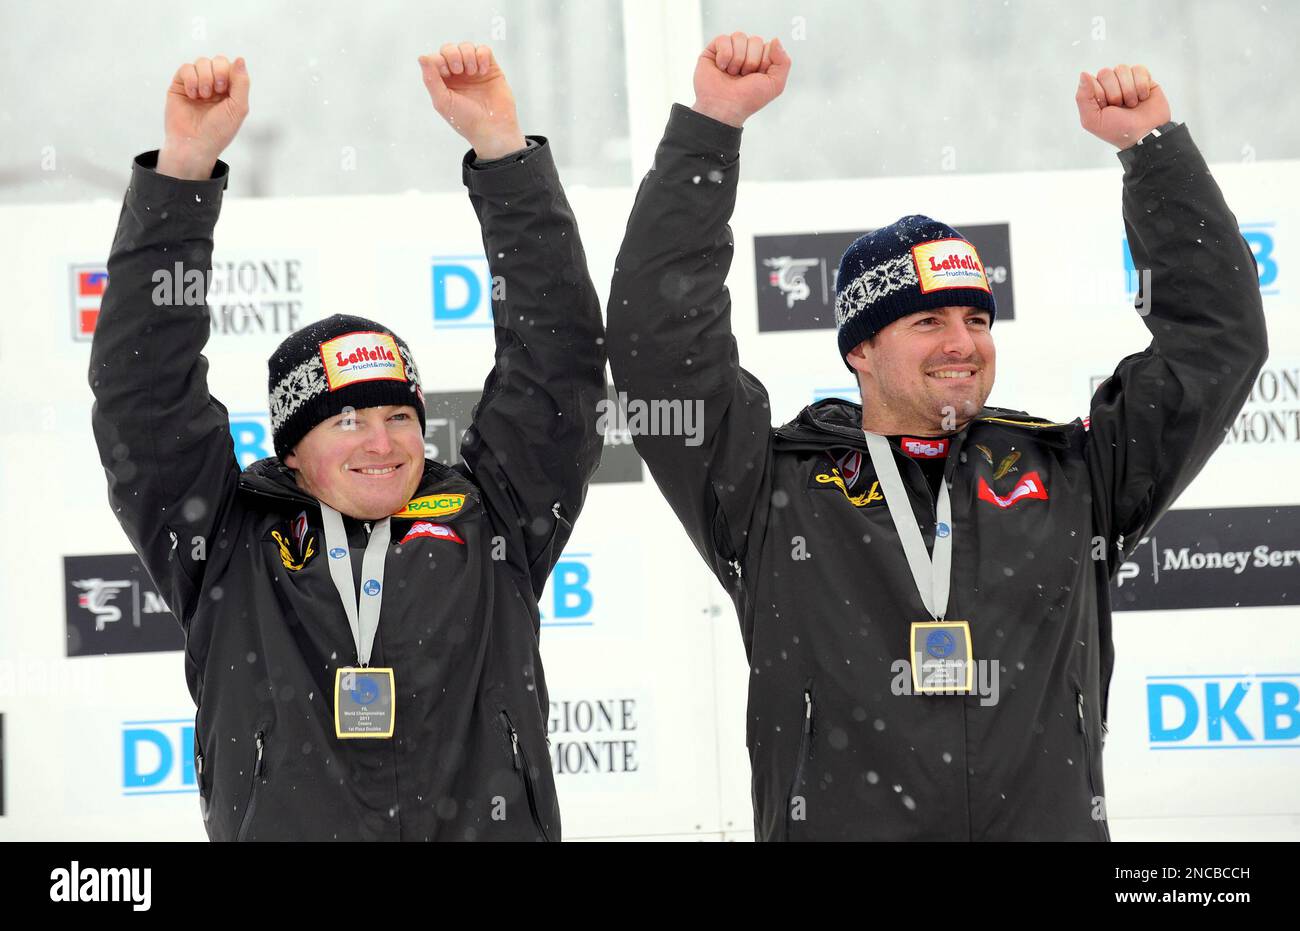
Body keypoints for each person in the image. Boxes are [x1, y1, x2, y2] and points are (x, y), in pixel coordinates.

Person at [607, 32, 1268, 840]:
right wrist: (711, 128)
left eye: (977, 318)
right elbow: (661, 346)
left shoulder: (1074, 475)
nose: (963, 342)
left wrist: (1154, 154)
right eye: (928, 321)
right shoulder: (768, 492)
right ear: (860, 348)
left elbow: (1218, 345)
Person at [89, 44, 605, 841]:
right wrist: (183, 173)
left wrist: (503, 152)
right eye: (348, 420)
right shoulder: (227, 543)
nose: (382, 441)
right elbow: (144, 395)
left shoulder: (490, 519)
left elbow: (558, 365)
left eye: (399, 415)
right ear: (290, 449)